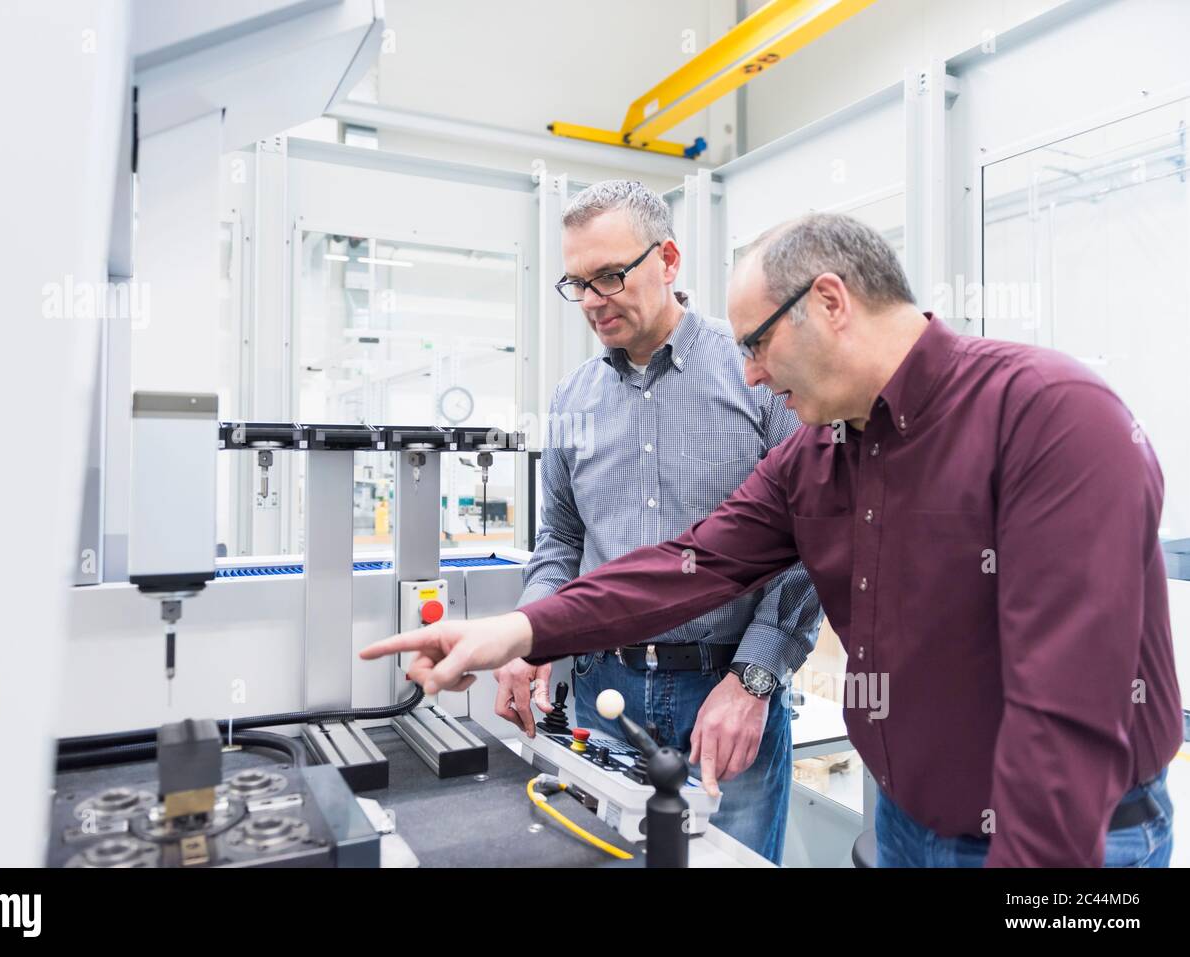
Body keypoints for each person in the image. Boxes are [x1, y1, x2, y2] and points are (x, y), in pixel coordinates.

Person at [363, 211, 1182, 867]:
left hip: (1071, 838)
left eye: (757, 343)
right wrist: (514, 630)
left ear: (831, 301)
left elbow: (1065, 720)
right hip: (907, 820)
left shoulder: (1050, 416)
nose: (749, 373)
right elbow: (691, 563)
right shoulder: (817, 451)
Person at [493, 180, 821, 862]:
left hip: (724, 697)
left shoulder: (756, 375)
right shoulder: (571, 398)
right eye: (576, 282)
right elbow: (560, 538)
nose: (590, 300)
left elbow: (810, 542)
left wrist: (754, 681)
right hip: (600, 694)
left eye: (609, 275)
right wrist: (534, 633)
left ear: (668, 260)